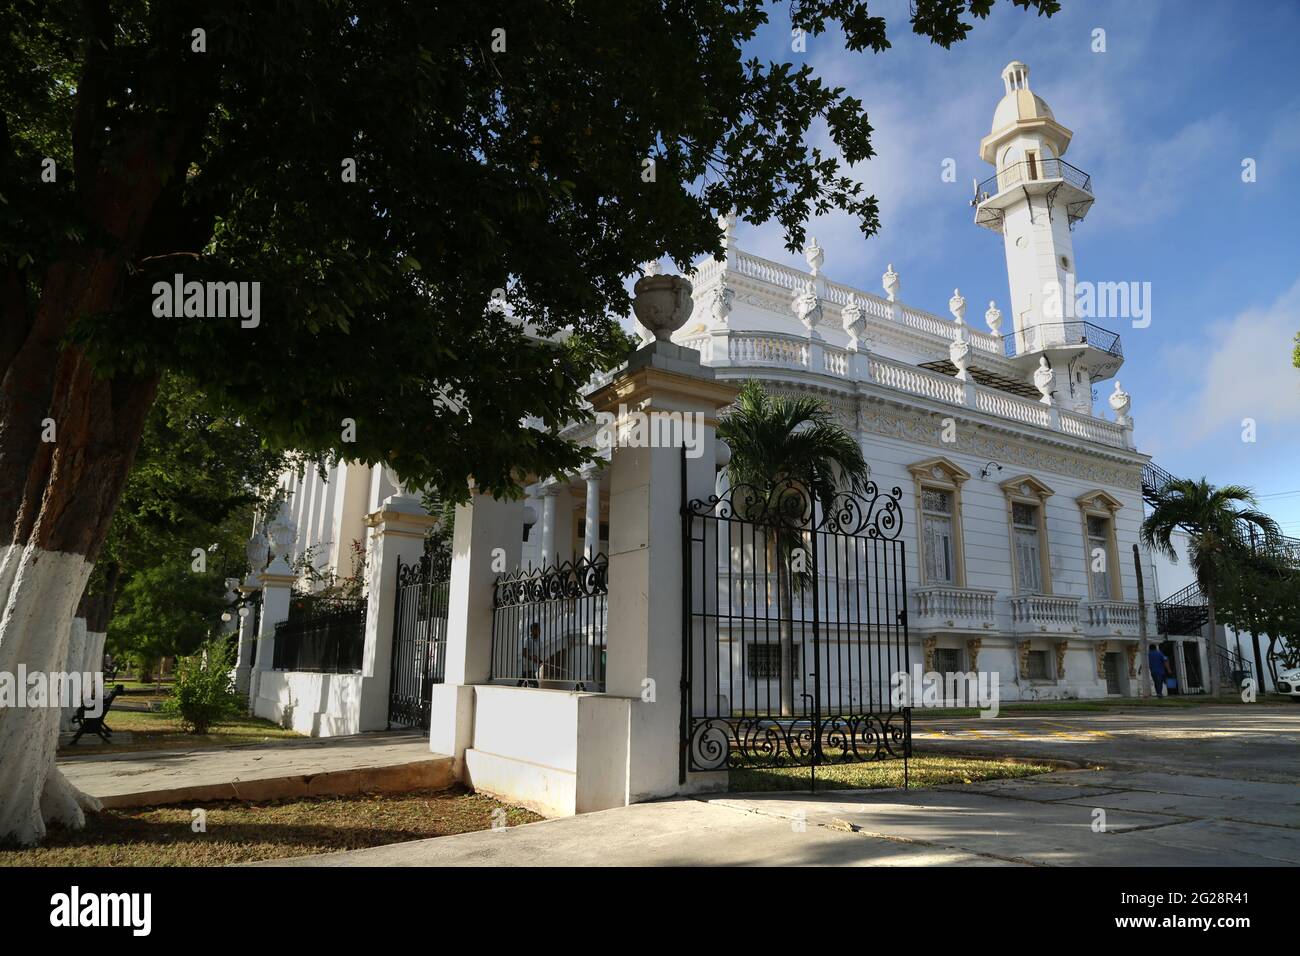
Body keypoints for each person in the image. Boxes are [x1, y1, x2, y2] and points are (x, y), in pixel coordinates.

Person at [521, 622, 544, 687]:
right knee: (535, 685)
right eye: (537, 629)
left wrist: (540, 661)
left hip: (534, 668)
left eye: (539, 630)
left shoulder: (540, 641)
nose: (539, 631)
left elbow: (538, 655)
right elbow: (524, 653)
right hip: (528, 667)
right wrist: (532, 657)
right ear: (532, 630)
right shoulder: (528, 640)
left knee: (524, 682)